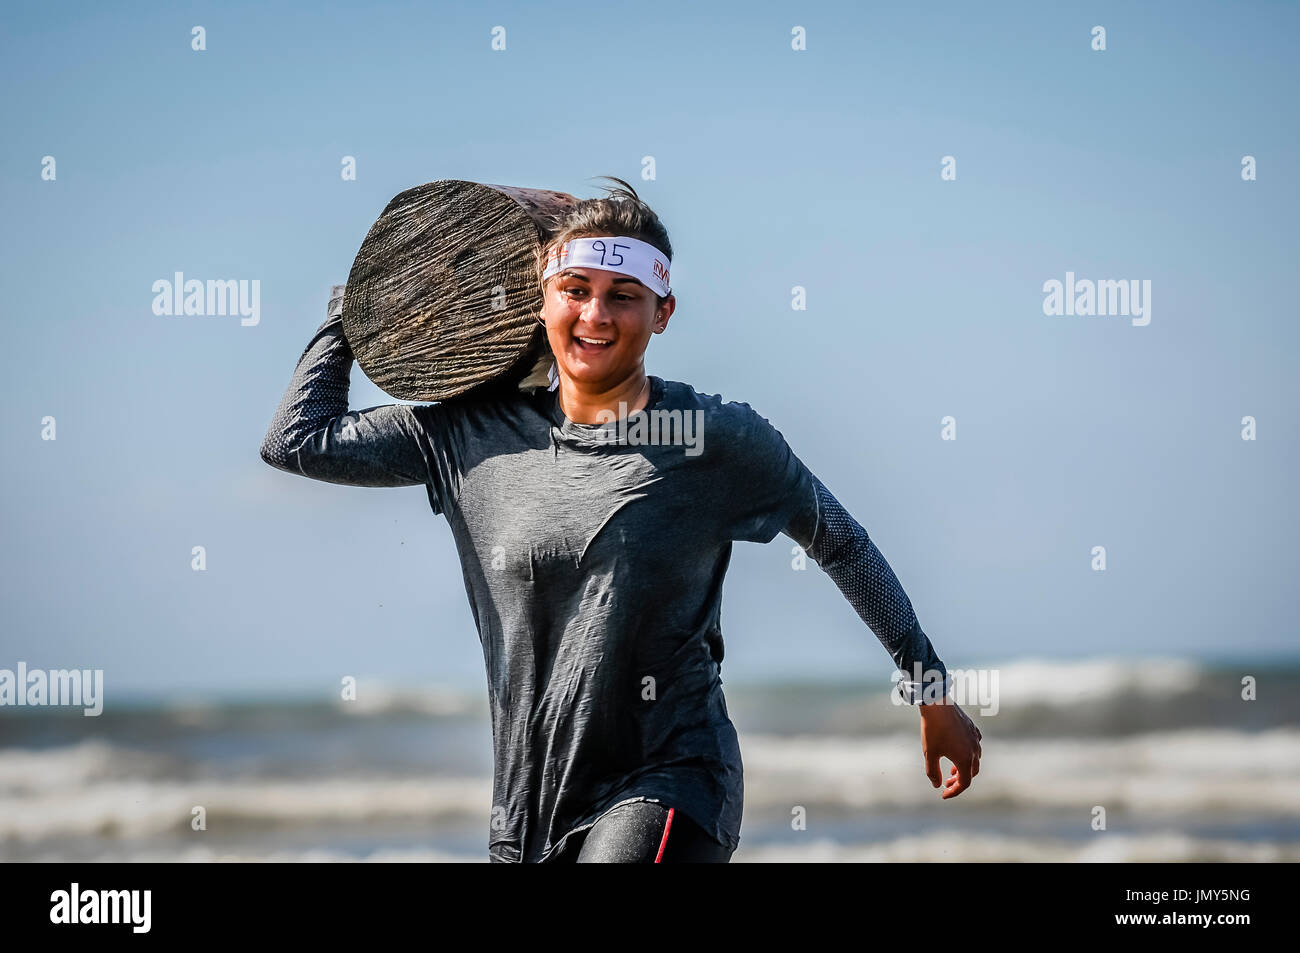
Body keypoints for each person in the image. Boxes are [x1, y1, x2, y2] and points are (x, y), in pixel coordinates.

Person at [259, 177, 982, 863]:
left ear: (662, 313)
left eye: (623, 296)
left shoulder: (713, 437)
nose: (595, 315)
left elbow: (841, 542)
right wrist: (353, 312)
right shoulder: (465, 435)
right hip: (528, 808)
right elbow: (295, 440)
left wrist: (930, 688)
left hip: (671, 780)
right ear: (541, 299)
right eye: (575, 290)